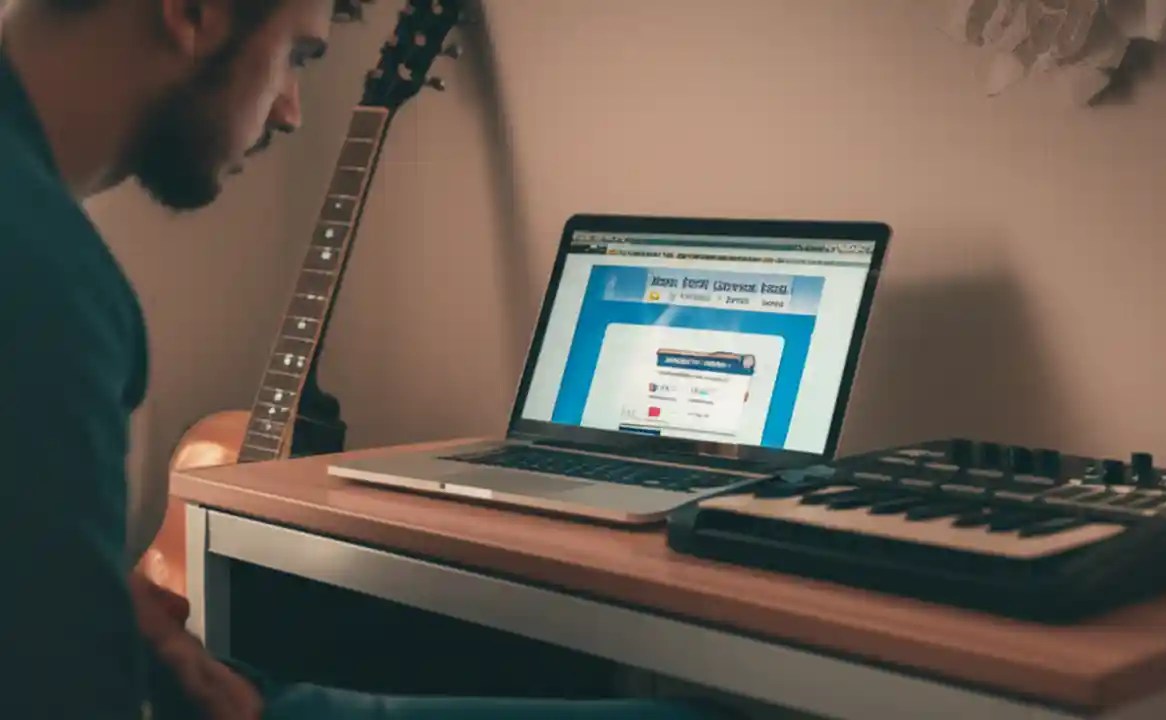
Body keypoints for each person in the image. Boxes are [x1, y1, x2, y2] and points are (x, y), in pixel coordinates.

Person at [0, 1, 733, 718]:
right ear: (193, 13)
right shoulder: (48, 279)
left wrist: (105, 605)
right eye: (297, 56)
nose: (289, 111)